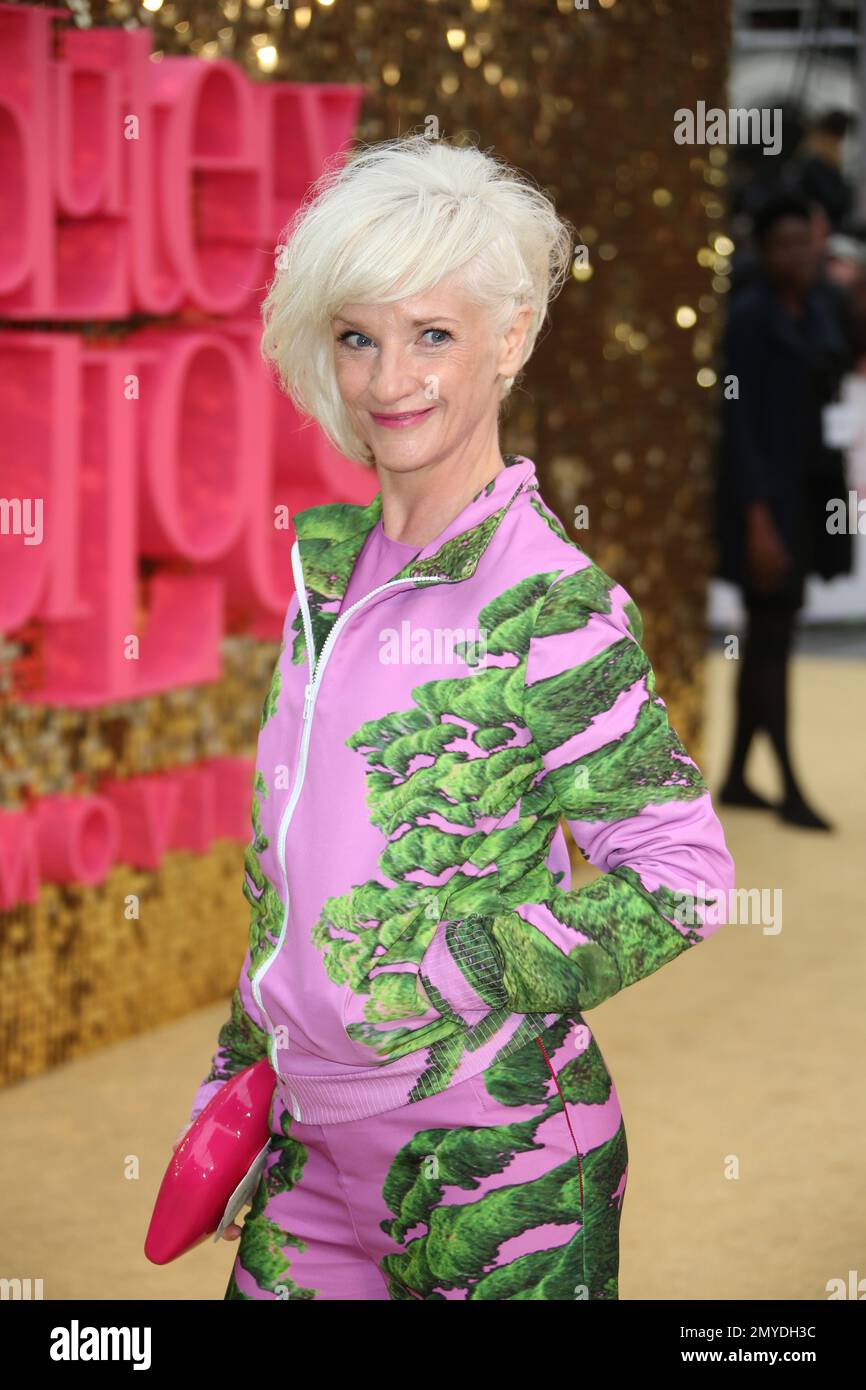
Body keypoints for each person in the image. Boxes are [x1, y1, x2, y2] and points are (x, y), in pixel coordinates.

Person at [178, 134, 736, 1300]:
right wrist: (237, 1083)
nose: (390, 382)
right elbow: (288, 874)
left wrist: (459, 964)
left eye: (431, 334)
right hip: (301, 1155)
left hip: (504, 1165)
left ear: (512, 336)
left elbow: (682, 877)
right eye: (357, 338)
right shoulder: (323, 581)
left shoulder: (550, 606)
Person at [715, 192, 854, 830]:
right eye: (784, 245)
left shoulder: (818, 309)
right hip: (766, 504)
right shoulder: (749, 317)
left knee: (772, 637)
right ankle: (790, 784)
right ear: (764, 252)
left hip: (808, 492)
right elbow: (735, 424)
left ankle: (740, 776)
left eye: (807, 243)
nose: (797, 255)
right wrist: (757, 519)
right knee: (769, 638)